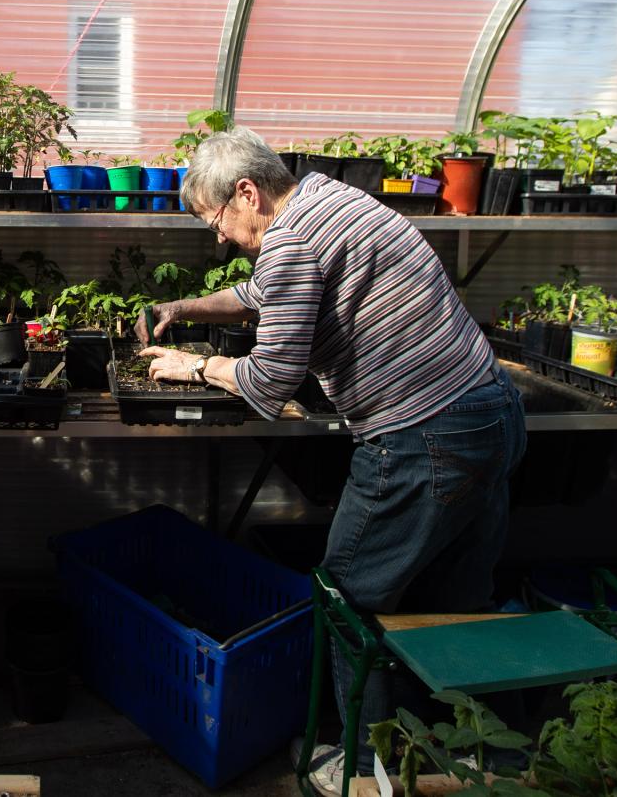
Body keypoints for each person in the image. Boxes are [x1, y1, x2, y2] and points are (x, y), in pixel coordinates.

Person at [135, 127, 526, 795]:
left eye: (216, 221)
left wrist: (194, 365)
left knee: (346, 598)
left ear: (247, 192)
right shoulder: (331, 200)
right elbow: (265, 294)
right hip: (486, 413)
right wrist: (185, 306)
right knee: (453, 599)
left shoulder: (290, 241)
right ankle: (455, 753)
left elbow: (268, 384)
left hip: (420, 439)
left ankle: (363, 768)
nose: (220, 238)